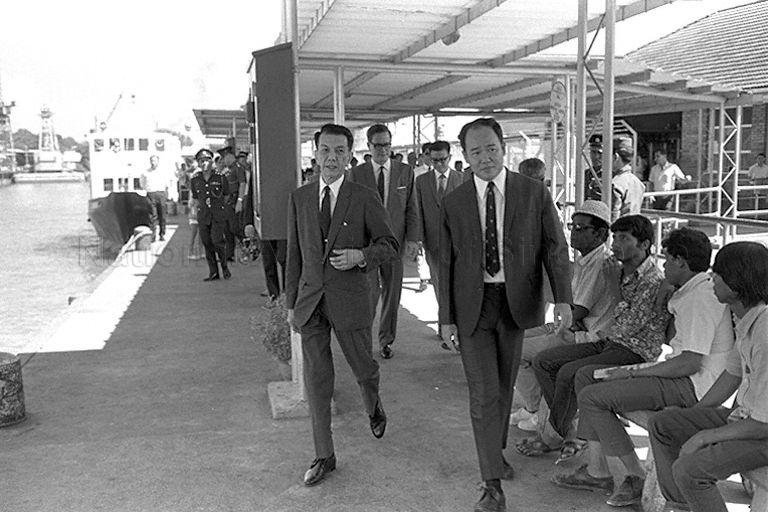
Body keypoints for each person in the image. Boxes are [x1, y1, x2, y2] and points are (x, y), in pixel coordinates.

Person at [438, 117, 573, 512]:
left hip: (516, 304)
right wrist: (445, 318)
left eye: (491, 149)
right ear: (465, 156)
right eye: (476, 152)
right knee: (482, 393)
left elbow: (554, 247)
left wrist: (562, 298)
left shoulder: (533, 192)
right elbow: (444, 263)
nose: (485, 158)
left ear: (504, 147)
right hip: (471, 308)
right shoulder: (454, 202)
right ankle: (491, 484)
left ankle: (494, 454)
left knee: (502, 387)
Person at [553, 227, 734, 508]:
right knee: (590, 378)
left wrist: (634, 371)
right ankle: (600, 469)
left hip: (693, 385)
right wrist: (669, 297)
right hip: (683, 376)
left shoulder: (700, 297)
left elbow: (689, 362)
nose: (663, 266)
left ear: (680, 262)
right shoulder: (689, 290)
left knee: (592, 395)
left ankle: (632, 475)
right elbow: (673, 340)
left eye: (668, 259)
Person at [285, 123, 398, 487]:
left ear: (350, 156)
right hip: (311, 302)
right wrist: (291, 302)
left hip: (350, 301)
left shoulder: (363, 196)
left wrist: (360, 256)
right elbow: (294, 255)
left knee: (363, 367)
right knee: (318, 382)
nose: (331, 158)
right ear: (314, 154)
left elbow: (389, 245)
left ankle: (372, 402)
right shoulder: (300, 198)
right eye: (325, 151)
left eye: (339, 151)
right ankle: (324, 455)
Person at [521, 215, 671, 458]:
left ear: (644, 245)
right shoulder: (617, 267)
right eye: (615, 238)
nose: (615, 244)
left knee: (572, 372)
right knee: (544, 362)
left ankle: (554, 436)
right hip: (608, 343)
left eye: (624, 238)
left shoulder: (652, 280)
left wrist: (613, 286)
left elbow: (624, 327)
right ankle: (565, 429)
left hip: (633, 352)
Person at [649, 241, 768, 512]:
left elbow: (763, 425)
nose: (712, 278)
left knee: (691, 470)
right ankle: (680, 504)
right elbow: (731, 375)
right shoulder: (747, 318)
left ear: (737, 284)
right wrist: (695, 416)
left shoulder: (765, 330)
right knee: (664, 424)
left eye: (719, 273)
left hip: (762, 433)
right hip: (747, 420)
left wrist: (705, 437)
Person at [510, 200, 619, 433]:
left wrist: (560, 322)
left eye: (580, 228)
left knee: (514, 351)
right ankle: (533, 408)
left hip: (586, 336)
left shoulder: (601, 262)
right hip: (570, 325)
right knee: (509, 340)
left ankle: (541, 413)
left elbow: (577, 310)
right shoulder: (584, 259)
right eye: (572, 226)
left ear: (600, 234)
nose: (573, 232)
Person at [350, 124, 421, 360]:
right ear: (368, 147)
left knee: (393, 294)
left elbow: (412, 207)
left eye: (386, 144)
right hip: (367, 246)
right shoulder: (357, 174)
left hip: (394, 244)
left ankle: (386, 341)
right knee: (368, 293)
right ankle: (363, 341)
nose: (382, 149)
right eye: (377, 145)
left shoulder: (404, 171)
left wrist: (413, 238)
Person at [414, 140, 467, 346]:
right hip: (434, 244)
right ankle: (444, 325)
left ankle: (459, 327)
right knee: (440, 285)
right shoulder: (421, 182)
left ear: (450, 157)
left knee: (459, 286)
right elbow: (417, 211)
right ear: (428, 158)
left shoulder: (462, 180)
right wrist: (418, 238)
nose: (439, 164)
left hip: (460, 245)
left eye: (443, 159)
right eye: (434, 160)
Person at [189, 148, 231, 281]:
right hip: (203, 215)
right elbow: (196, 198)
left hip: (217, 214)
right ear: (198, 163)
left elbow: (226, 195)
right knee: (207, 242)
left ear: (211, 161)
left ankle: (224, 267)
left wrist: (219, 206)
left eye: (207, 160)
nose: (204, 163)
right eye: (201, 161)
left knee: (217, 241)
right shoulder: (195, 179)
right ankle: (213, 272)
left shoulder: (220, 177)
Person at [217, 146, 247, 262]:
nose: (223, 160)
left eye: (224, 158)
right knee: (227, 229)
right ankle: (229, 255)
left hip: (234, 200)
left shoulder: (238, 168)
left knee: (235, 227)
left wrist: (240, 201)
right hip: (225, 201)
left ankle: (248, 245)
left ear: (230, 156)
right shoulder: (226, 169)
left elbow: (242, 184)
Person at [611, 138, 646, 221]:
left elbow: (613, 216)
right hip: (634, 228)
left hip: (620, 229)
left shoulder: (616, 183)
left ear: (615, 157)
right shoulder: (637, 182)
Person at [140, 155, 168, 242]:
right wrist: (148, 189)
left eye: (155, 160)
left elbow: (167, 183)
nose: (153, 162)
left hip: (161, 193)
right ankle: (153, 235)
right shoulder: (145, 172)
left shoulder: (163, 171)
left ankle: (162, 234)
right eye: (151, 160)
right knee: (152, 215)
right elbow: (142, 184)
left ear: (158, 162)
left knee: (162, 215)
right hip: (151, 193)